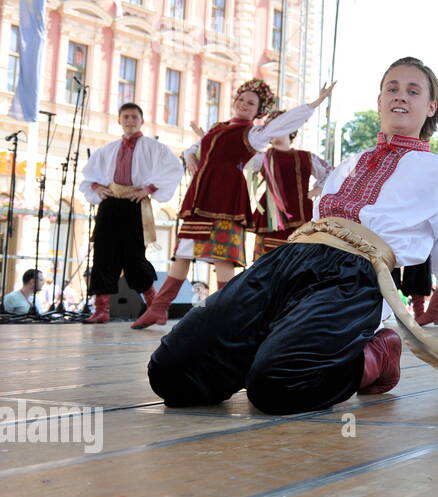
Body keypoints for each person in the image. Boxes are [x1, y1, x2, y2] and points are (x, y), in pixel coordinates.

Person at [147, 57, 438, 416]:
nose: (400, 95)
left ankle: (376, 355)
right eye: (392, 87)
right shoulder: (350, 163)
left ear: (431, 106)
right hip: (290, 258)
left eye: (413, 90)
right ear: (379, 101)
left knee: (278, 386)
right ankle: (269, 346)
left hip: (354, 277)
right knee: (172, 374)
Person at [131, 79, 334, 330]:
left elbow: (283, 124)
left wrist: (315, 102)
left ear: (258, 111)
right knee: (182, 253)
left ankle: (223, 315)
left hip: (226, 201)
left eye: (251, 103)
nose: (244, 104)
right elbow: (193, 149)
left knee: (222, 258)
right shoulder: (218, 128)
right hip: (200, 198)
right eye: (241, 100)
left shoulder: (254, 134)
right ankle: (159, 308)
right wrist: (191, 156)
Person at [77, 103, 183, 323]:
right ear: (119, 120)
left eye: (134, 117)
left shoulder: (154, 147)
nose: (130, 121)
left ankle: (155, 306)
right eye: (125, 117)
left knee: (134, 257)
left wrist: (149, 188)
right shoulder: (107, 149)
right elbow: (90, 175)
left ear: (141, 120)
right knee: (103, 254)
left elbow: (174, 168)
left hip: (134, 205)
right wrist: (97, 187)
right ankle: (101, 310)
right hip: (110, 204)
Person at [247, 113, 332, 259]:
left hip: (302, 216)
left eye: (279, 126)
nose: (274, 131)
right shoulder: (262, 157)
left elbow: (331, 173)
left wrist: (315, 191)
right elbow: (238, 161)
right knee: (267, 265)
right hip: (271, 219)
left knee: (297, 263)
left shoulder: (307, 157)